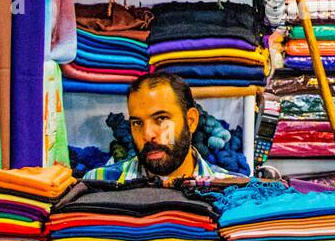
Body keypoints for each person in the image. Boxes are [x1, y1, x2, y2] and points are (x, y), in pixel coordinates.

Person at [85, 73, 235, 182]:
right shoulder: (97, 182)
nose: (147, 134)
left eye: (161, 119)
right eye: (137, 123)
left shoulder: (234, 194)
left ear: (191, 121)